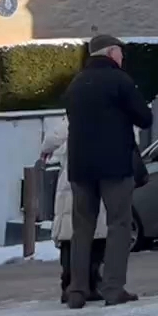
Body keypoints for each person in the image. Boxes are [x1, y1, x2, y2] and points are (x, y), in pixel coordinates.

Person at [62, 34, 150, 308]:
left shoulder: (75, 83)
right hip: (114, 165)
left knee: (82, 228)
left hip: (80, 167)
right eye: (121, 53)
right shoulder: (119, 81)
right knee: (119, 224)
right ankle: (113, 288)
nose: (123, 58)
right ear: (111, 52)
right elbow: (145, 118)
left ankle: (77, 290)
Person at [39, 123, 105, 302]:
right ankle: (91, 282)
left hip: (71, 181)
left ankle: (70, 283)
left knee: (70, 236)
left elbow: (48, 142)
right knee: (95, 236)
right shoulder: (105, 114)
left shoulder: (69, 122)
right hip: (96, 179)